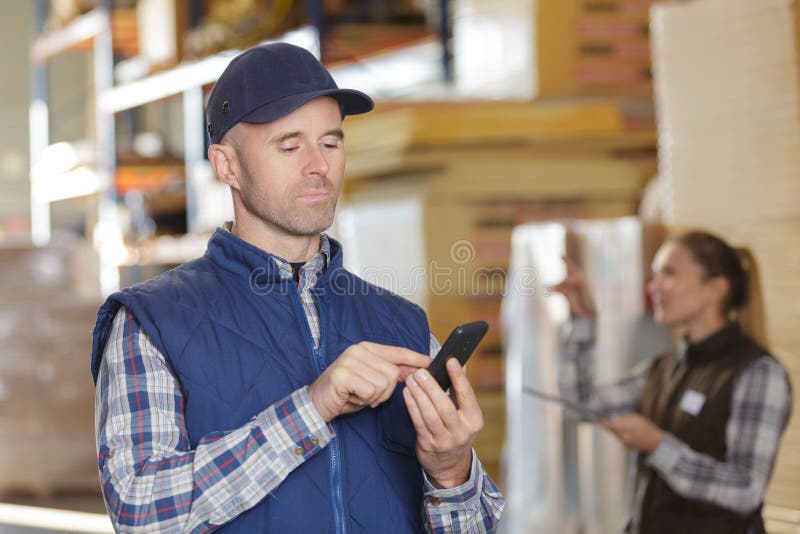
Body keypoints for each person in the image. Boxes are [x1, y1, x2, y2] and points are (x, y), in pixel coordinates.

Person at [90, 42, 504, 533]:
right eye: (290, 146)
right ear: (227, 166)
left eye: (331, 142)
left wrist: (451, 472)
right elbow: (140, 511)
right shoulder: (152, 322)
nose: (318, 166)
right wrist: (312, 407)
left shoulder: (403, 323)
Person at [553, 230, 792, 534]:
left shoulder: (758, 374)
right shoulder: (664, 367)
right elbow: (579, 407)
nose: (653, 287)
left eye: (668, 274)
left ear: (715, 289)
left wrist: (658, 445)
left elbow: (744, 490)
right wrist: (583, 323)